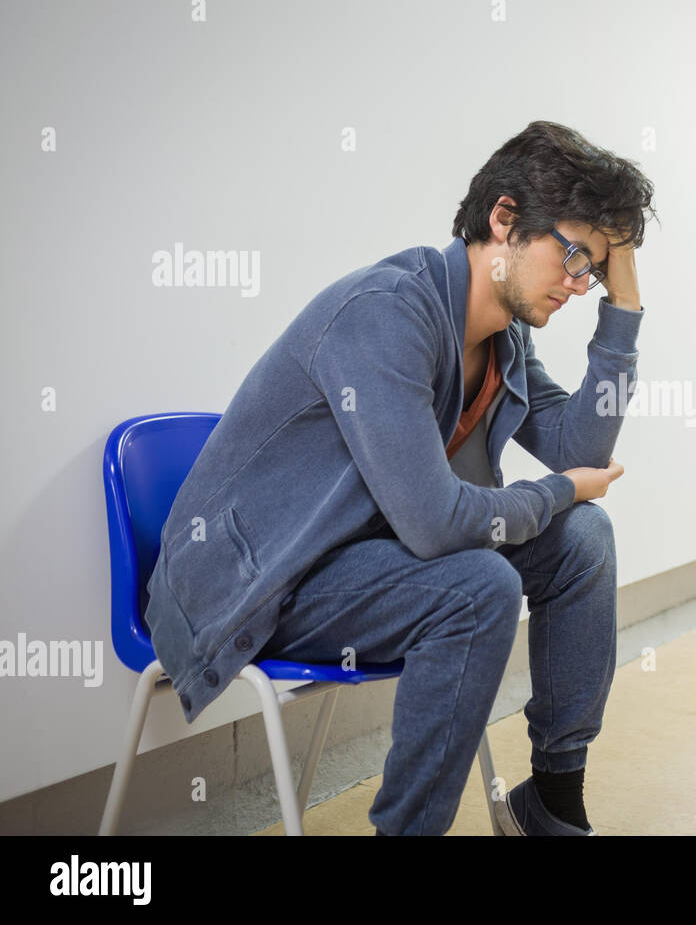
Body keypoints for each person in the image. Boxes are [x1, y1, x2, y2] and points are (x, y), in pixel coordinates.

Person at [143, 120, 657, 835]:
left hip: (366, 559)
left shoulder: (504, 337)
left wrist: (623, 300)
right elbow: (437, 522)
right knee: (483, 585)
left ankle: (552, 805)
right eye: (574, 255)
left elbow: (582, 449)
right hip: (267, 578)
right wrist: (561, 489)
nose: (578, 283)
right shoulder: (386, 314)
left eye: (592, 268)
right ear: (504, 220)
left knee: (584, 537)